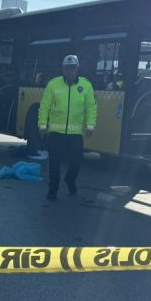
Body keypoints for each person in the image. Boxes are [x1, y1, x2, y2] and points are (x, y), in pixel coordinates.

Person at [38, 55, 97, 200]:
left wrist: (90, 125)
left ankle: (70, 179)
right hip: (55, 132)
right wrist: (42, 125)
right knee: (54, 163)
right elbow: (44, 106)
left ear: (77, 68)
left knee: (77, 161)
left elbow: (91, 107)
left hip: (75, 132)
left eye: (72, 68)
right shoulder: (53, 84)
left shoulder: (86, 86)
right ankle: (53, 190)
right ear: (63, 69)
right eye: (67, 68)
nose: (70, 71)